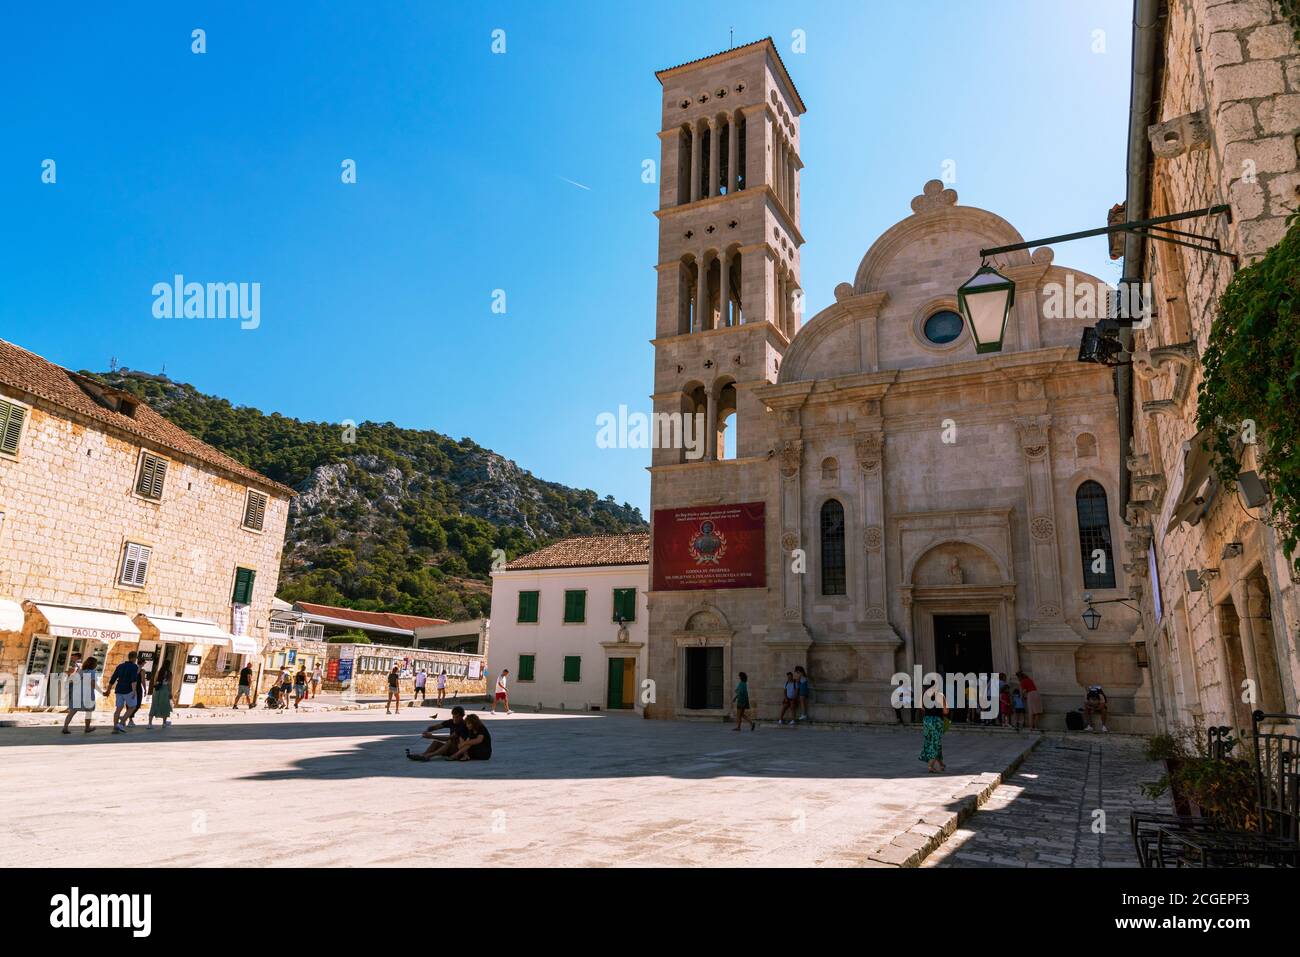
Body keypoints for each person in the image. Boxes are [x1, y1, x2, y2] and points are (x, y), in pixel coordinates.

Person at [107, 652, 142, 734]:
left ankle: (115, 728)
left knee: (118, 709)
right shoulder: (134, 667)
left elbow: (113, 679)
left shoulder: (120, 666)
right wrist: (134, 691)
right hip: (128, 690)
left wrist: (108, 690)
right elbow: (133, 680)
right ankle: (121, 723)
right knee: (133, 706)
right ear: (134, 658)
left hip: (119, 689)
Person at [62, 655, 98, 734]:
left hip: (77, 693)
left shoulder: (81, 671)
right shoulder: (92, 672)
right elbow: (93, 684)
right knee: (89, 711)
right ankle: (87, 728)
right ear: (94, 664)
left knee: (72, 711)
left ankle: (65, 727)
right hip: (87, 694)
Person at [919, 690, 949, 773]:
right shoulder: (940, 695)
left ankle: (941, 764)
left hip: (927, 720)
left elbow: (921, 707)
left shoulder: (924, 695)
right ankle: (930, 765)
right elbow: (946, 711)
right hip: (936, 721)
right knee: (935, 742)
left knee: (930, 741)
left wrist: (929, 711)